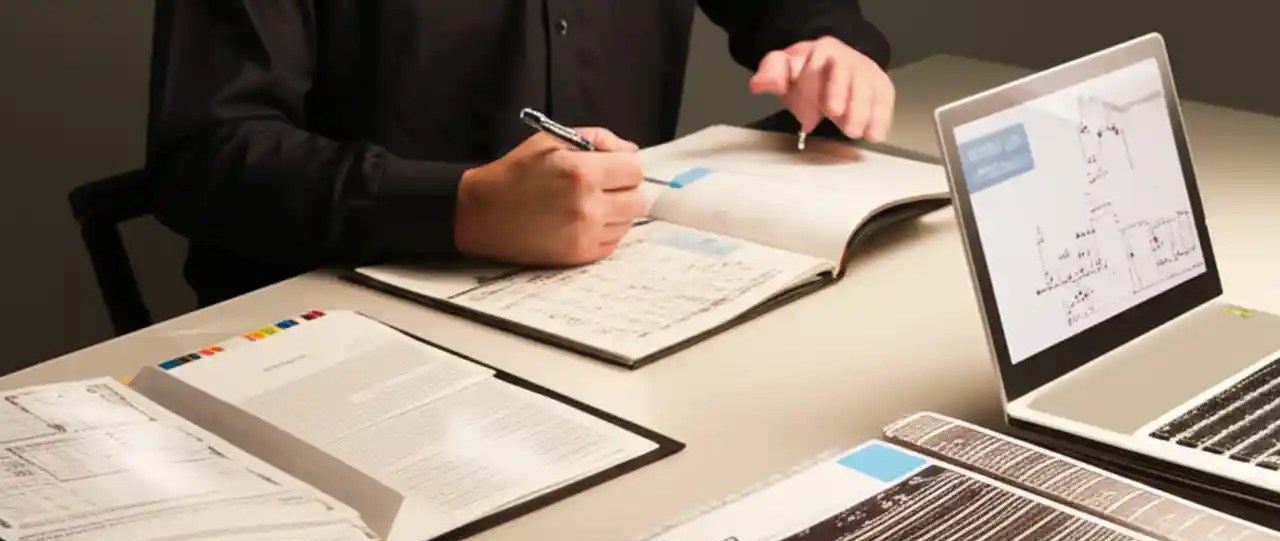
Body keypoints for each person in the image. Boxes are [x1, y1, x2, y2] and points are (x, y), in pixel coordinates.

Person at [145, 2, 897, 307]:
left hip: (617, 292)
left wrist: (835, 47)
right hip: (350, 316)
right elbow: (204, 154)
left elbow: (799, 7)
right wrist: (463, 207)